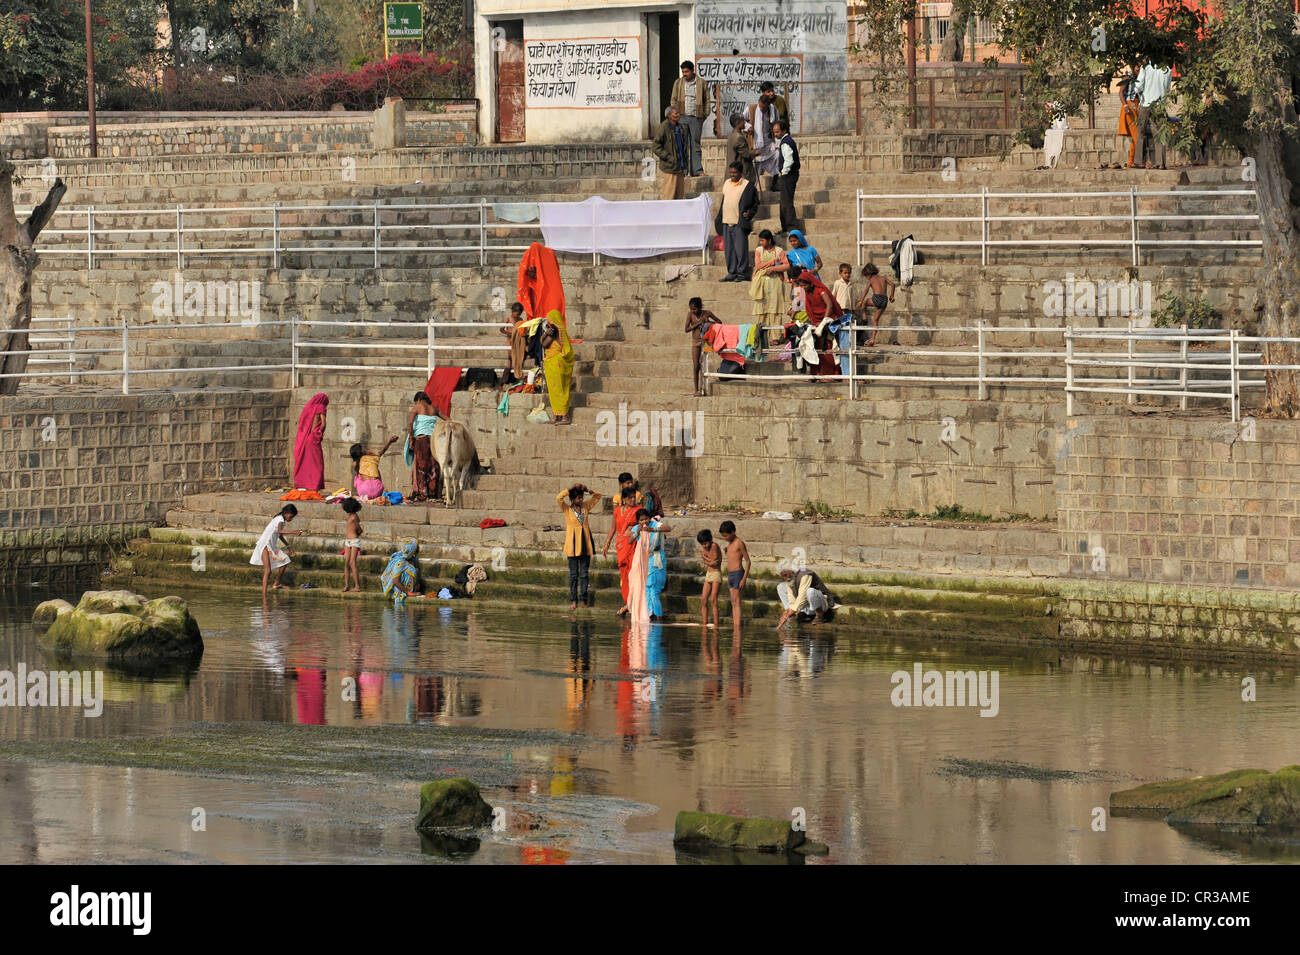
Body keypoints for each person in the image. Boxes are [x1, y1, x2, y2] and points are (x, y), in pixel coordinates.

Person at [602, 473, 645, 616]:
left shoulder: (638, 510)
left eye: (634, 497)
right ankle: (628, 602)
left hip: (632, 545)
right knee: (624, 575)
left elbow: (645, 521)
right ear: (624, 499)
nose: (633, 500)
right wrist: (607, 543)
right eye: (630, 498)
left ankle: (633, 603)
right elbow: (613, 528)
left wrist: (634, 529)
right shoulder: (616, 511)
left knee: (633, 574)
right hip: (620, 545)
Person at [559, 483, 601, 610]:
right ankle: (573, 600)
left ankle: (583, 599)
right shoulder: (567, 509)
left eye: (581, 497)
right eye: (578, 498)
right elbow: (558, 498)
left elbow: (598, 497)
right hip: (572, 545)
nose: (580, 500)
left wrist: (588, 490)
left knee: (584, 574)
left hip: (585, 544)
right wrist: (569, 488)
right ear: (572, 499)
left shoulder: (586, 507)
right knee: (573, 575)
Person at [717, 161, 759, 283]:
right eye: (731, 172)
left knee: (740, 249)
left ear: (741, 172)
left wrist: (750, 213)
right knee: (729, 250)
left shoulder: (748, 185)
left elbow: (755, 203)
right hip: (726, 221)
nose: (732, 174)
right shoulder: (726, 183)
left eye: (735, 172)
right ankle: (732, 272)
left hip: (739, 223)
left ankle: (742, 272)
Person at [627, 507, 669, 625]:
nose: (644, 522)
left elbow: (668, 528)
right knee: (646, 590)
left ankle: (659, 619)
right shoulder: (637, 528)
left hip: (656, 559)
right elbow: (630, 541)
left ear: (649, 518)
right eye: (641, 520)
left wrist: (653, 529)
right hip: (645, 561)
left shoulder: (656, 524)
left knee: (654, 591)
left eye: (646, 519)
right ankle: (649, 617)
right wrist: (637, 532)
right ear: (638, 521)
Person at [251, 503, 301, 597]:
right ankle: (264, 597)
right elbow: (280, 531)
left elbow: (279, 535)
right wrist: (294, 532)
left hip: (271, 546)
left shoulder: (281, 520)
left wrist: (289, 546)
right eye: (292, 516)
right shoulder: (280, 519)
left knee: (285, 560)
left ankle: (276, 583)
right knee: (268, 571)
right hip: (264, 545)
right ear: (287, 513)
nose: (292, 518)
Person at [670, 60, 711, 177]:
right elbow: (673, 99)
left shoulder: (702, 83)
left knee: (696, 145)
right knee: (682, 145)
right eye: (683, 72)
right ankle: (683, 170)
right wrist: (675, 114)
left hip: (696, 118)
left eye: (686, 72)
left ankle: (697, 170)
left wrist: (704, 114)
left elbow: (707, 100)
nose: (684, 74)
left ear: (692, 71)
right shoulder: (678, 83)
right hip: (681, 117)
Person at [751, 230, 788, 351]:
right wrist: (773, 262)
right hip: (762, 283)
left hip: (776, 282)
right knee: (763, 310)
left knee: (775, 309)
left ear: (769, 240)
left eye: (763, 240)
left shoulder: (779, 251)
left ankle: (776, 337)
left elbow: (786, 265)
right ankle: (762, 335)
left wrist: (774, 269)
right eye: (760, 240)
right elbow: (759, 265)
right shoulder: (758, 250)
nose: (761, 242)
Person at [1132, 58, 1171, 170]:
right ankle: (1161, 163)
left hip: (1146, 103)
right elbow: (1168, 88)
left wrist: (1138, 92)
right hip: (1160, 104)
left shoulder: (1146, 67)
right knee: (1160, 133)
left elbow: (1139, 86)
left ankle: (1139, 161)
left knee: (1141, 132)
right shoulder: (1167, 69)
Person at [404, 392, 440, 501]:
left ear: (419, 399)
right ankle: (433, 493)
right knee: (433, 466)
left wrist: (411, 439)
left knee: (420, 467)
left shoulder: (417, 407)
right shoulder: (434, 409)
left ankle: (421, 493)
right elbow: (448, 419)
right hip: (434, 441)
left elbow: (410, 424)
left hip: (421, 440)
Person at [652, 105, 689, 200]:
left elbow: (683, 147)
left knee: (679, 197)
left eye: (678, 113)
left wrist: (685, 165)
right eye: (676, 113)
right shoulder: (664, 127)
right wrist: (668, 157)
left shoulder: (680, 127)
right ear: (669, 115)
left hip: (680, 167)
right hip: (670, 168)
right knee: (669, 196)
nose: (678, 115)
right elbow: (655, 146)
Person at [292, 393, 328, 491]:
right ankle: (315, 487)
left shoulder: (308, 408)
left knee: (306, 463)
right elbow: (323, 424)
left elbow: (300, 421)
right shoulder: (321, 407)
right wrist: (318, 433)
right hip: (313, 438)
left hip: (306, 439)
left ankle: (304, 485)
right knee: (318, 464)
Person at [685, 296, 719, 397]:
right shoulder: (690, 315)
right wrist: (698, 323)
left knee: (703, 365)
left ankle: (701, 389)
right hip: (695, 342)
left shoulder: (707, 313)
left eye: (695, 309)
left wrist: (708, 322)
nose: (693, 311)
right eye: (691, 309)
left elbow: (719, 322)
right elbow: (686, 329)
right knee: (696, 366)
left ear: (700, 307)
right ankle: (696, 390)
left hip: (706, 342)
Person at [718, 520, 750, 628]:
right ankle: (735, 625)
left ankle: (737, 627)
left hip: (738, 573)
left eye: (726, 536)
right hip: (730, 574)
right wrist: (727, 550)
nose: (725, 538)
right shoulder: (730, 544)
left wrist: (744, 579)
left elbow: (748, 561)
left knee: (737, 601)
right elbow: (732, 555)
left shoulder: (739, 543)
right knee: (733, 602)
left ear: (732, 532)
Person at [771, 119, 800, 235]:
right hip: (788, 175)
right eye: (774, 132)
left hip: (788, 175)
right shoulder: (785, 141)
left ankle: (792, 229)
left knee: (787, 203)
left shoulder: (786, 142)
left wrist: (783, 172)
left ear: (784, 131)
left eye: (777, 132)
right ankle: (785, 227)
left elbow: (789, 160)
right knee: (784, 202)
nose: (776, 134)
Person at [747, 90, 780, 191]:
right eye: (760, 107)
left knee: (778, 156)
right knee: (754, 171)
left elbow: (777, 125)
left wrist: (777, 143)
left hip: (768, 144)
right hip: (755, 145)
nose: (761, 109)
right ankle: (751, 191)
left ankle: (775, 182)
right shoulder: (751, 109)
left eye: (764, 108)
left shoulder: (773, 110)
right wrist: (748, 127)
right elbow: (741, 120)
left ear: (768, 105)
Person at [857, 262, 895, 347]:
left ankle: (864, 317)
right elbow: (893, 284)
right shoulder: (883, 278)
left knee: (865, 302)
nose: (866, 278)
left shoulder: (871, 280)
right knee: (875, 320)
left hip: (877, 298)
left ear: (869, 274)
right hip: (884, 300)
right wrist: (892, 295)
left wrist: (861, 301)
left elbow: (866, 290)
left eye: (866, 276)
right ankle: (873, 339)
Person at [350, 435, 398, 502]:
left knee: (358, 476)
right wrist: (390, 441)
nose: (364, 448)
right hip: (378, 491)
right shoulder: (372, 458)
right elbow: (381, 452)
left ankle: (363, 497)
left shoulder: (355, 464)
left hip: (364, 492)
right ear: (361, 451)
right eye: (363, 448)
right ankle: (376, 494)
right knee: (376, 471)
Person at [1113, 62, 1140, 169]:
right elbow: (1120, 92)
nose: (1139, 68)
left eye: (1140, 66)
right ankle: (1134, 161)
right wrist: (1125, 105)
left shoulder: (1141, 77)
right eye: (1137, 66)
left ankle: (1131, 161)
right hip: (1129, 105)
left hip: (1138, 105)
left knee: (1136, 136)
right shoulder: (1127, 77)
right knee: (1137, 136)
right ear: (1133, 67)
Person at [381, 539, 425, 604]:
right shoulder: (401, 562)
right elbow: (396, 581)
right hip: (400, 594)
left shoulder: (412, 559)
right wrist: (409, 593)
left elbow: (417, 571)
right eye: (416, 550)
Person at [831, 263, 856, 376]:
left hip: (848, 311)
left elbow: (852, 298)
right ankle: (838, 360)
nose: (847, 275)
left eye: (849, 273)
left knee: (847, 336)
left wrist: (853, 310)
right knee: (839, 335)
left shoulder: (851, 285)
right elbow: (833, 296)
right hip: (839, 310)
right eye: (845, 273)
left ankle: (845, 363)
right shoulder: (838, 283)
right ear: (840, 273)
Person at [697, 528, 722, 632]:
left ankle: (716, 625)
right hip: (709, 574)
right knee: (703, 600)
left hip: (716, 574)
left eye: (706, 543)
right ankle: (705, 624)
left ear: (710, 540)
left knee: (713, 600)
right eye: (702, 544)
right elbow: (710, 562)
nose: (704, 546)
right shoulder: (704, 548)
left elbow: (714, 563)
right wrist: (707, 560)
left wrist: (704, 558)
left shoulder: (714, 546)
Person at [500, 301, 530, 381]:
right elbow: (501, 329)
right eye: (517, 313)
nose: (518, 315)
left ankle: (515, 378)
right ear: (513, 311)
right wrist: (509, 334)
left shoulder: (520, 319)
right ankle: (504, 380)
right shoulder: (509, 319)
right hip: (510, 341)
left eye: (519, 314)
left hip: (518, 342)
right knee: (510, 359)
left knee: (520, 359)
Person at [725, 112, 756, 182]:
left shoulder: (732, 135)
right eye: (743, 121)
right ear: (738, 123)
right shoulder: (738, 138)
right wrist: (755, 153)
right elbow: (746, 154)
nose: (745, 123)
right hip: (739, 173)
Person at [342, 498, 363, 592]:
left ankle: (357, 586)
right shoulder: (350, 515)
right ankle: (347, 585)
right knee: (346, 563)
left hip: (354, 541)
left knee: (352, 563)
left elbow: (359, 529)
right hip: (348, 541)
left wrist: (357, 533)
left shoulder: (355, 517)